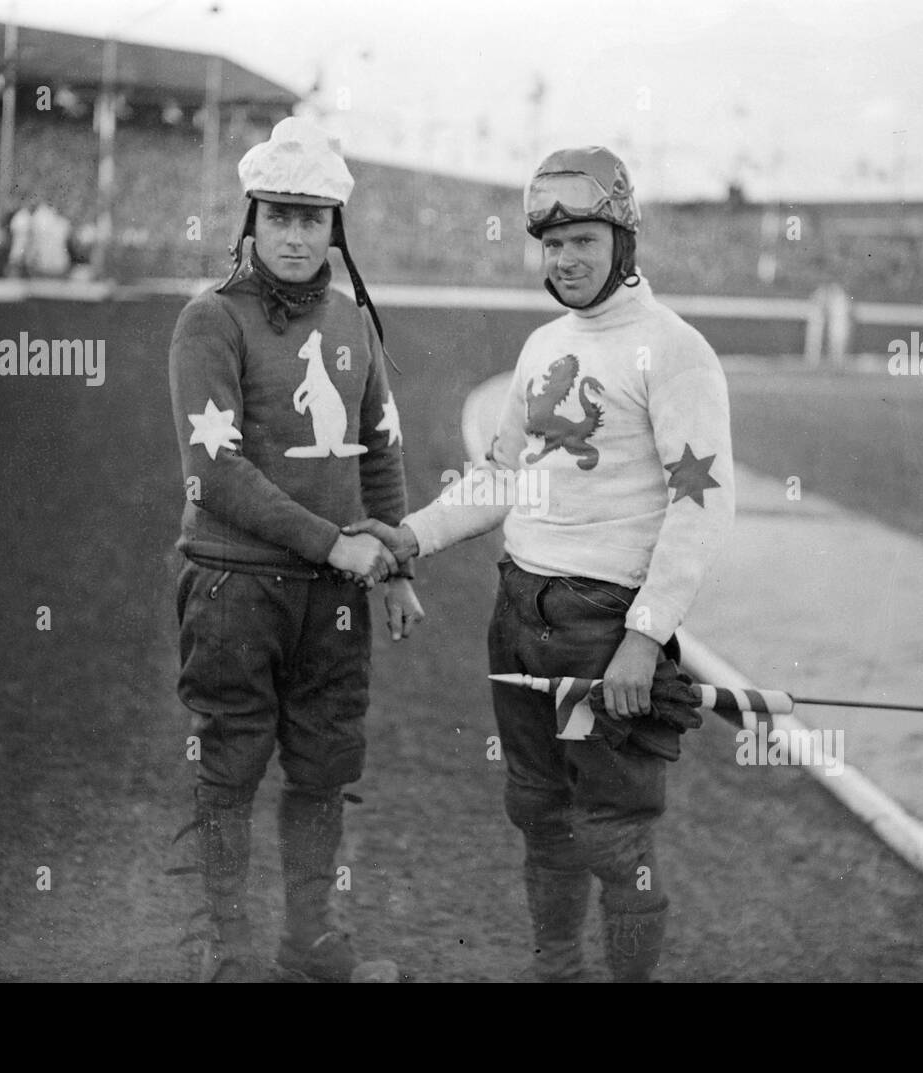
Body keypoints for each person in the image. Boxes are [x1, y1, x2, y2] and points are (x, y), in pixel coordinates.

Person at [346, 145, 735, 982]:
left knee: (612, 829)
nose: (564, 260)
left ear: (622, 238)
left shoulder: (675, 352)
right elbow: (500, 479)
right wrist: (409, 536)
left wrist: (645, 636)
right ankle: (555, 970)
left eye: (582, 241)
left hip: (605, 629)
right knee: (540, 813)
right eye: (551, 245)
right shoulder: (541, 347)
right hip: (518, 614)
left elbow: (703, 503)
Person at [167, 116, 424, 983]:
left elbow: (378, 447)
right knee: (231, 764)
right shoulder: (210, 321)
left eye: (312, 218)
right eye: (278, 213)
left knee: (323, 766)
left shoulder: (354, 320)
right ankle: (225, 952)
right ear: (251, 218)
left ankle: (307, 939)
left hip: (337, 596)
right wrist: (333, 545)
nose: (294, 233)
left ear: (334, 228)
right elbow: (215, 471)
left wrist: (393, 563)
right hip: (235, 586)